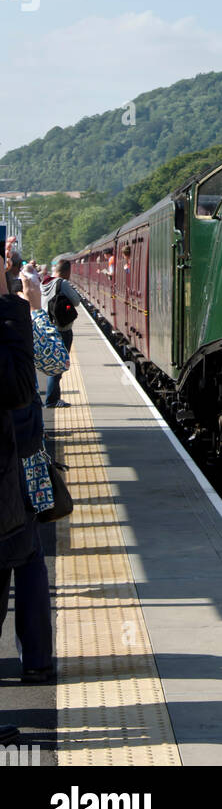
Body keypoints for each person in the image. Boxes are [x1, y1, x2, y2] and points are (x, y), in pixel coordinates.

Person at [0, 251, 47, 717]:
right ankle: (35, 661)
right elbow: (54, 361)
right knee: (29, 558)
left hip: (20, 458)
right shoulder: (14, 314)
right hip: (24, 459)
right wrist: (32, 308)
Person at [41, 259, 82, 409]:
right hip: (62, 329)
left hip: (47, 328)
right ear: (67, 272)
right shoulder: (62, 283)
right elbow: (76, 301)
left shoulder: (44, 282)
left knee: (54, 363)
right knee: (58, 366)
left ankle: (53, 398)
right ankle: (52, 400)